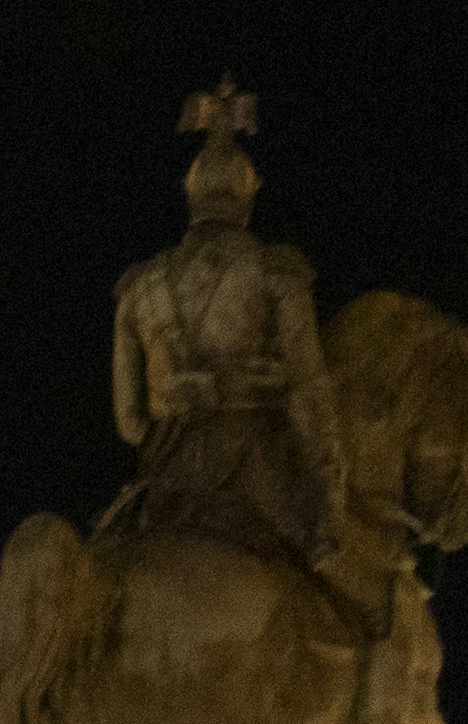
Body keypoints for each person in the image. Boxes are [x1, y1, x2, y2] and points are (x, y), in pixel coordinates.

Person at [105, 85, 351, 585]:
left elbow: (130, 422)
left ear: (191, 194)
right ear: (248, 194)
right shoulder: (277, 272)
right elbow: (310, 392)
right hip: (254, 479)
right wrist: (330, 493)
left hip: (162, 485)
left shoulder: (139, 287)